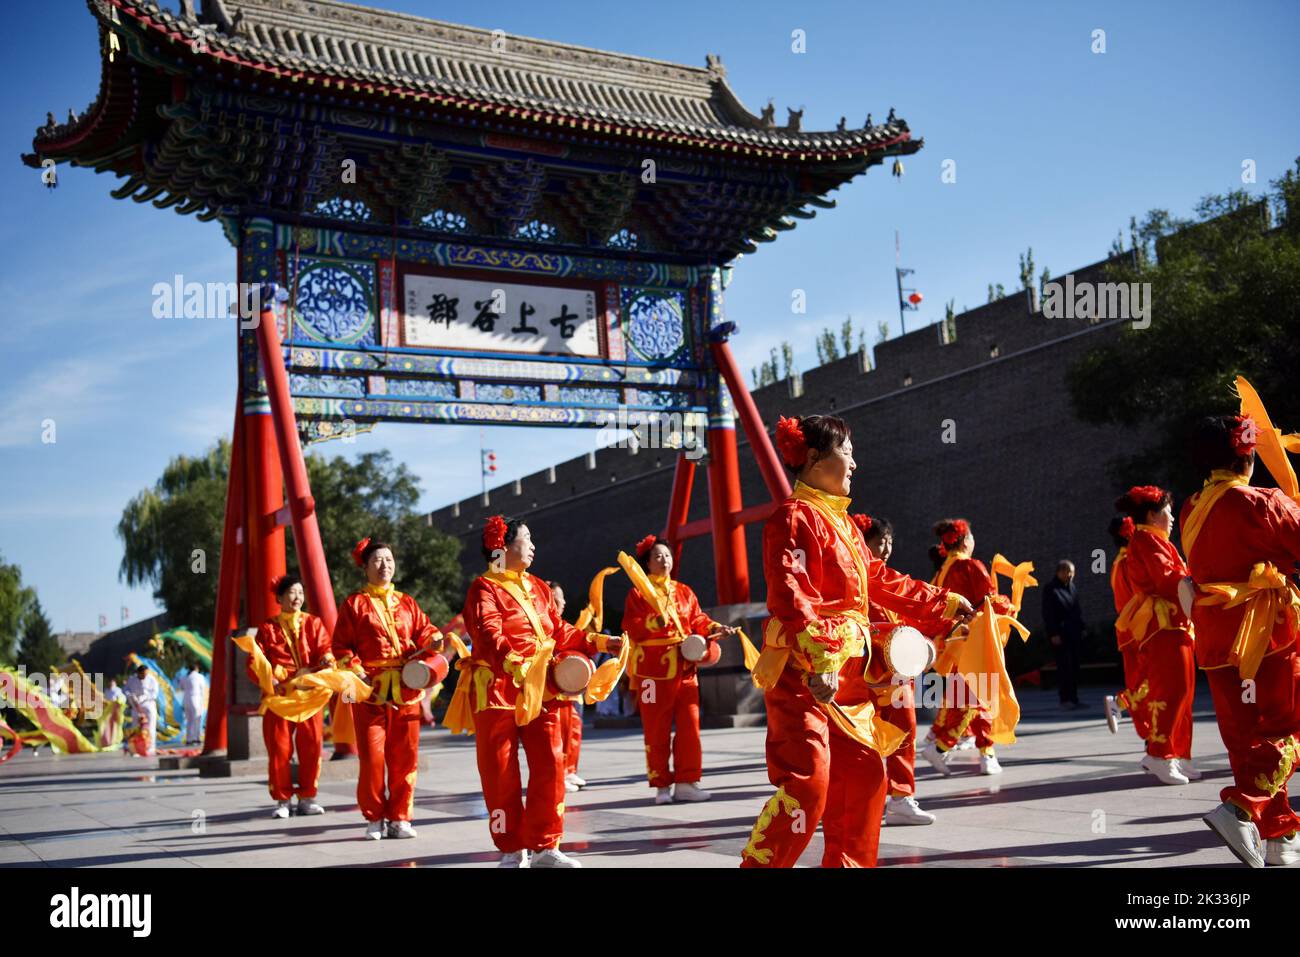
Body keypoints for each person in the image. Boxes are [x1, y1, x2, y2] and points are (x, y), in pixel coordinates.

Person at [740, 415, 972, 868]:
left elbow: (878, 579)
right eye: (846, 453)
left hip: (852, 673)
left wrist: (941, 602)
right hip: (805, 673)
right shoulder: (792, 517)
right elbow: (791, 590)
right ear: (812, 459)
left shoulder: (842, 524)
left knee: (866, 777)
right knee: (807, 785)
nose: (854, 464)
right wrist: (818, 657)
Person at [459, 516, 622, 868]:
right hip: (498, 687)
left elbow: (559, 631)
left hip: (542, 685)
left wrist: (599, 641)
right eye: (527, 539)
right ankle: (511, 847)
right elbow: (487, 632)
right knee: (500, 769)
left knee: (551, 762)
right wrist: (514, 662)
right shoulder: (483, 588)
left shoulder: (537, 586)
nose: (533, 546)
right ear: (503, 546)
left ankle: (545, 846)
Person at [1181, 414, 1300, 867]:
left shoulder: (1193, 508)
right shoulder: (1260, 502)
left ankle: (1278, 832)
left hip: (1214, 636)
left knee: (1248, 739)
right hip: (1266, 633)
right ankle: (1242, 808)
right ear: (1246, 456)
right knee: (1288, 728)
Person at [332, 538, 451, 840]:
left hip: (406, 688)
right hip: (370, 691)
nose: (384, 565)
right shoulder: (354, 604)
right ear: (366, 567)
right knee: (372, 757)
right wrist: (358, 671)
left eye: (389, 559)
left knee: (405, 756)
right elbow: (341, 647)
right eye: (377, 560)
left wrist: (434, 636)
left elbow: (424, 629)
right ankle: (374, 817)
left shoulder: (407, 602)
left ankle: (400, 816)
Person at [622, 534, 740, 804]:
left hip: (685, 668)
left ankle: (687, 782)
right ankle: (662, 786)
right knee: (656, 729)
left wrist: (714, 629)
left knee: (690, 727)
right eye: (658, 557)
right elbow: (633, 626)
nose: (664, 560)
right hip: (652, 672)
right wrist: (657, 620)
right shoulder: (638, 593)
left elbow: (698, 618)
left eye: (667, 556)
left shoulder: (684, 591)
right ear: (646, 564)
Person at [849, 514, 938, 826]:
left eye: (888, 542)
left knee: (905, 732)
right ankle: (858, 801)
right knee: (863, 739)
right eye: (878, 542)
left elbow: (912, 616)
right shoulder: (851, 581)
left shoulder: (891, 579)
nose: (885, 548)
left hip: (897, 676)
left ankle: (901, 797)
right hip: (865, 676)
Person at [1108, 486, 1199, 786]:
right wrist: (1196, 581)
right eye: (1168, 513)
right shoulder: (1145, 540)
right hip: (1161, 628)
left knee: (1183, 691)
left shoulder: (1158, 541)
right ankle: (1159, 754)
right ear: (1151, 514)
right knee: (1170, 690)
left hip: (1175, 625)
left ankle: (1179, 754)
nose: (1172, 519)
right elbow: (1165, 579)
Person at [922, 518, 1013, 776]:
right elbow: (989, 601)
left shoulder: (941, 573)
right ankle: (949, 747)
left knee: (963, 699)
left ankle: (969, 749)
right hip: (972, 642)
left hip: (950, 645)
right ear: (965, 540)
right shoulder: (970, 566)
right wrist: (1008, 606)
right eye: (972, 537)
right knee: (980, 698)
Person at [251, 575, 334, 817]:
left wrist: (327, 660)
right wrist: (270, 680)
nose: (297, 597)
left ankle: (308, 797)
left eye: (300, 592)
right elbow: (256, 661)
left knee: (311, 748)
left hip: (310, 696)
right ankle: (282, 800)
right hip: (281, 698)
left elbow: (324, 650)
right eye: (292, 593)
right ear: (279, 598)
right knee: (279, 749)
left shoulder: (314, 623)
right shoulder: (267, 628)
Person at [1103, 517, 1154, 744]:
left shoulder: (1117, 563)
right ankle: (1122, 703)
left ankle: (1149, 732)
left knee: (1142, 678)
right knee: (1151, 679)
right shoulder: (1131, 561)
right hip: (1140, 629)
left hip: (1127, 630)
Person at [548, 581, 586, 793]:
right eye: (555, 598)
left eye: (561, 598)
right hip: (554, 691)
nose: (561, 602)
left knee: (573, 731)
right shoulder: (545, 628)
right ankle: (559, 774)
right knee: (558, 734)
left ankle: (569, 769)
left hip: (571, 691)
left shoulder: (565, 628)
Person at [1042, 560, 1086, 710]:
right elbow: (1048, 613)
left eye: (1072, 572)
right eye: (1068, 571)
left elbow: (1076, 610)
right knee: (1064, 666)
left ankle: (1074, 698)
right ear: (1059, 572)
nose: (1070, 575)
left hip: (1074, 634)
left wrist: (1082, 627)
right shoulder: (1051, 589)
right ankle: (1065, 699)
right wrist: (1053, 633)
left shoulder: (1072, 588)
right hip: (1060, 635)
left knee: (1074, 666)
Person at [124, 664, 159, 756]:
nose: (144, 676)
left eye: (145, 674)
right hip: (135, 706)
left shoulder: (151, 679)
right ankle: (136, 749)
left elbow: (155, 693)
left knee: (151, 727)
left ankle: (150, 747)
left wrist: (145, 697)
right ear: (138, 673)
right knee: (136, 727)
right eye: (142, 674)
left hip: (148, 704)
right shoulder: (132, 680)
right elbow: (125, 690)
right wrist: (130, 695)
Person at [179, 667, 208, 747]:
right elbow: (202, 688)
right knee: (197, 719)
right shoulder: (199, 676)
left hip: (186, 699)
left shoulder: (184, 677)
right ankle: (196, 738)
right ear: (196, 669)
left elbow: (181, 688)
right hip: (196, 698)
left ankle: (189, 739)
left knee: (189, 720)